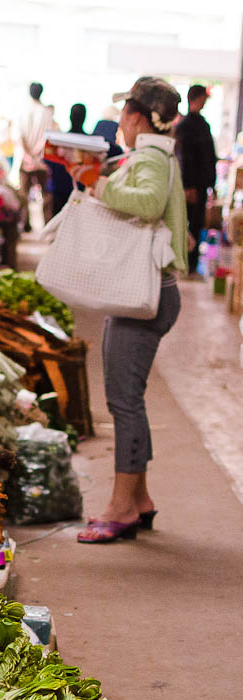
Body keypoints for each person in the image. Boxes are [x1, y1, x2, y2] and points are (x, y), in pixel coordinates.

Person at [77, 77, 186, 544]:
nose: (120, 122)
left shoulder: (152, 157)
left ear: (137, 116)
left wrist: (97, 186)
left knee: (122, 401)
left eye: (124, 114)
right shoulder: (152, 156)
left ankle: (120, 508)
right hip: (143, 291)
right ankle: (139, 499)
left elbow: (148, 203)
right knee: (130, 397)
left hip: (145, 294)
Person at [175, 84, 217, 274]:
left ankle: (191, 263)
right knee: (186, 223)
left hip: (200, 184)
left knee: (197, 222)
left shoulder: (202, 124)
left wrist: (211, 184)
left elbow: (208, 156)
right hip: (190, 185)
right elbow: (184, 157)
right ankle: (183, 262)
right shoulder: (185, 126)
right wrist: (187, 185)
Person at [19, 82, 55, 231]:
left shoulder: (22, 111)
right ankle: (47, 226)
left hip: (25, 159)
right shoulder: (47, 112)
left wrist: (27, 154)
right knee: (46, 195)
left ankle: (25, 225)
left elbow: (19, 136)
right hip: (42, 160)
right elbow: (47, 137)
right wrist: (36, 154)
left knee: (23, 194)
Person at [50, 103, 89, 214]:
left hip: (59, 193)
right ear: (84, 118)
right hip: (81, 194)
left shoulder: (58, 142)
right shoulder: (91, 144)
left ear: (70, 117)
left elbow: (49, 163)